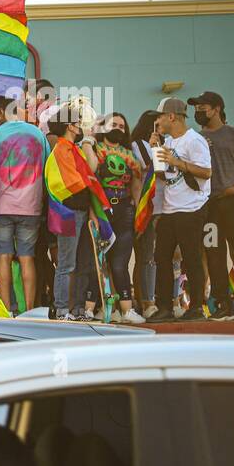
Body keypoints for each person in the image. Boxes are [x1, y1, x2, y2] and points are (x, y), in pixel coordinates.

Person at [192, 91, 234, 320]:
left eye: (203, 107)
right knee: (214, 254)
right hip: (209, 206)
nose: (198, 111)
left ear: (217, 108)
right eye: (196, 107)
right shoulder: (196, 138)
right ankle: (222, 305)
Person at [147, 97, 212, 323]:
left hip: (192, 208)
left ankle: (196, 307)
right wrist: (156, 149)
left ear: (171, 116)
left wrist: (178, 162)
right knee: (162, 258)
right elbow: (163, 174)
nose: (158, 121)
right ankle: (164, 306)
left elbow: (206, 172)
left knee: (192, 259)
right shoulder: (169, 142)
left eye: (160, 117)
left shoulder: (194, 140)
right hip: (170, 208)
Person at [78, 113, 144, 323]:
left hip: (124, 211)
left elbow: (136, 183)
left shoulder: (130, 154)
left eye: (122, 126)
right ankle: (89, 309)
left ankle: (126, 310)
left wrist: (138, 212)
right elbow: (91, 170)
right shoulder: (94, 148)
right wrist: (89, 140)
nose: (117, 128)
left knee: (119, 264)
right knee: (96, 263)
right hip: (100, 211)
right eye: (113, 124)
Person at [0, 96, 49, 313]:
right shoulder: (38, 134)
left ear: (2, 112)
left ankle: (5, 309)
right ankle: (30, 309)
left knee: (2, 256)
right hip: (31, 208)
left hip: (0, 207)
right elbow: (47, 169)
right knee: (26, 257)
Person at [44, 109, 99, 321]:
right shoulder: (62, 150)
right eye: (77, 122)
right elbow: (84, 177)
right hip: (68, 212)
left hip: (81, 211)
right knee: (67, 264)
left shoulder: (71, 149)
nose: (80, 125)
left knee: (81, 263)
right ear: (70, 126)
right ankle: (62, 310)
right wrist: (87, 142)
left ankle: (76, 310)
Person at [129, 110, 162, 315]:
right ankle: (146, 302)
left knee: (163, 258)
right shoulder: (139, 145)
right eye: (158, 125)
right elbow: (155, 169)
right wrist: (155, 146)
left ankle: (166, 300)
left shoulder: (167, 145)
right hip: (146, 209)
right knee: (145, 256)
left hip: (165, 207)